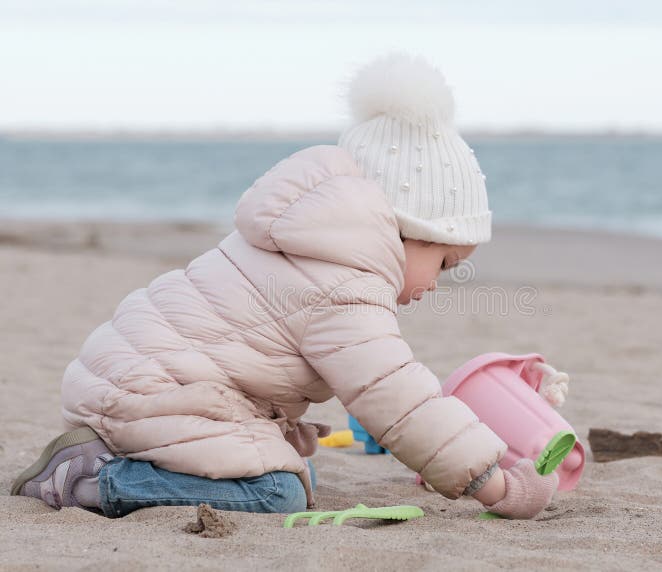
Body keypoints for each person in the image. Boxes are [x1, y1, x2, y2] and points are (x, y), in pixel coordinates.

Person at [11, 52, 560, 519]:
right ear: (407, 228)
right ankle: (93, 482)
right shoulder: (344, 282)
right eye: (443, 262)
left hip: (136, 382)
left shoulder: (304, 240)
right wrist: (498, 485)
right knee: (278, 492)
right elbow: (400, 402)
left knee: (285, 464)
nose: (439, 284)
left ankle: (102, 460)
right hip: (148, 398)